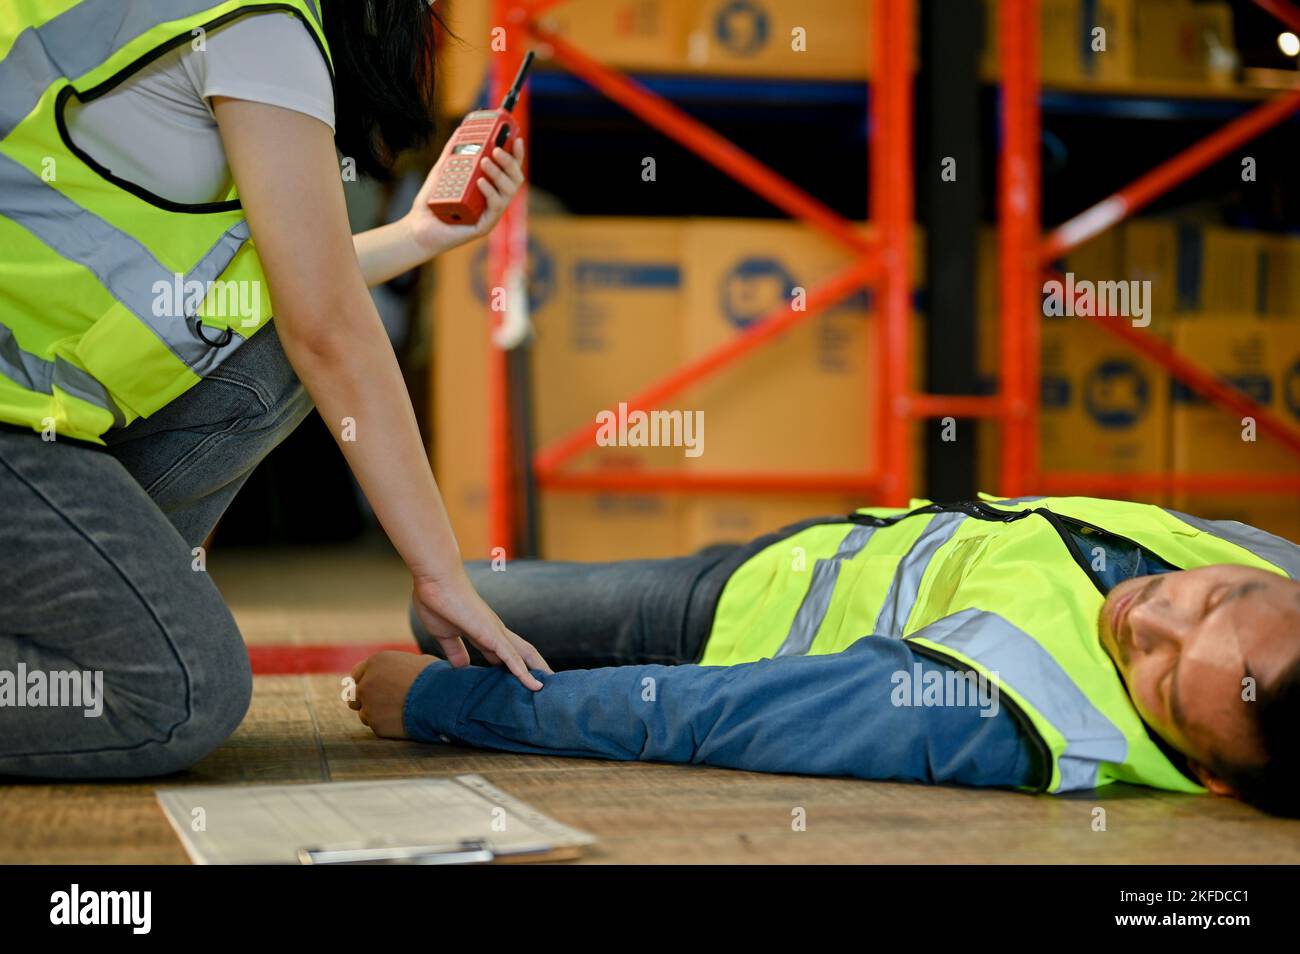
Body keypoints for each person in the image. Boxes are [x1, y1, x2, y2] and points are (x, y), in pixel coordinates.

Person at [0, 0, 550, 779]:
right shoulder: (259, 22)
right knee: (179, 689)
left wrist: (420, 235)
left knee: (279, 349)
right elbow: (326, 327)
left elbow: (286, 289)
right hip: (14, 424)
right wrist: (440, 572)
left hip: (34, 421)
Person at [351, 496, 1300, 817]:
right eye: (1209, 596)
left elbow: (700, 714)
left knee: (443, 602)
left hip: (719, 624)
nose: (1150, 618)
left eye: (1166, 679)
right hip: (813, 543)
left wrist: (442, 704)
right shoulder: (1280, 574)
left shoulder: (1001, 714)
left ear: (1207, 775)